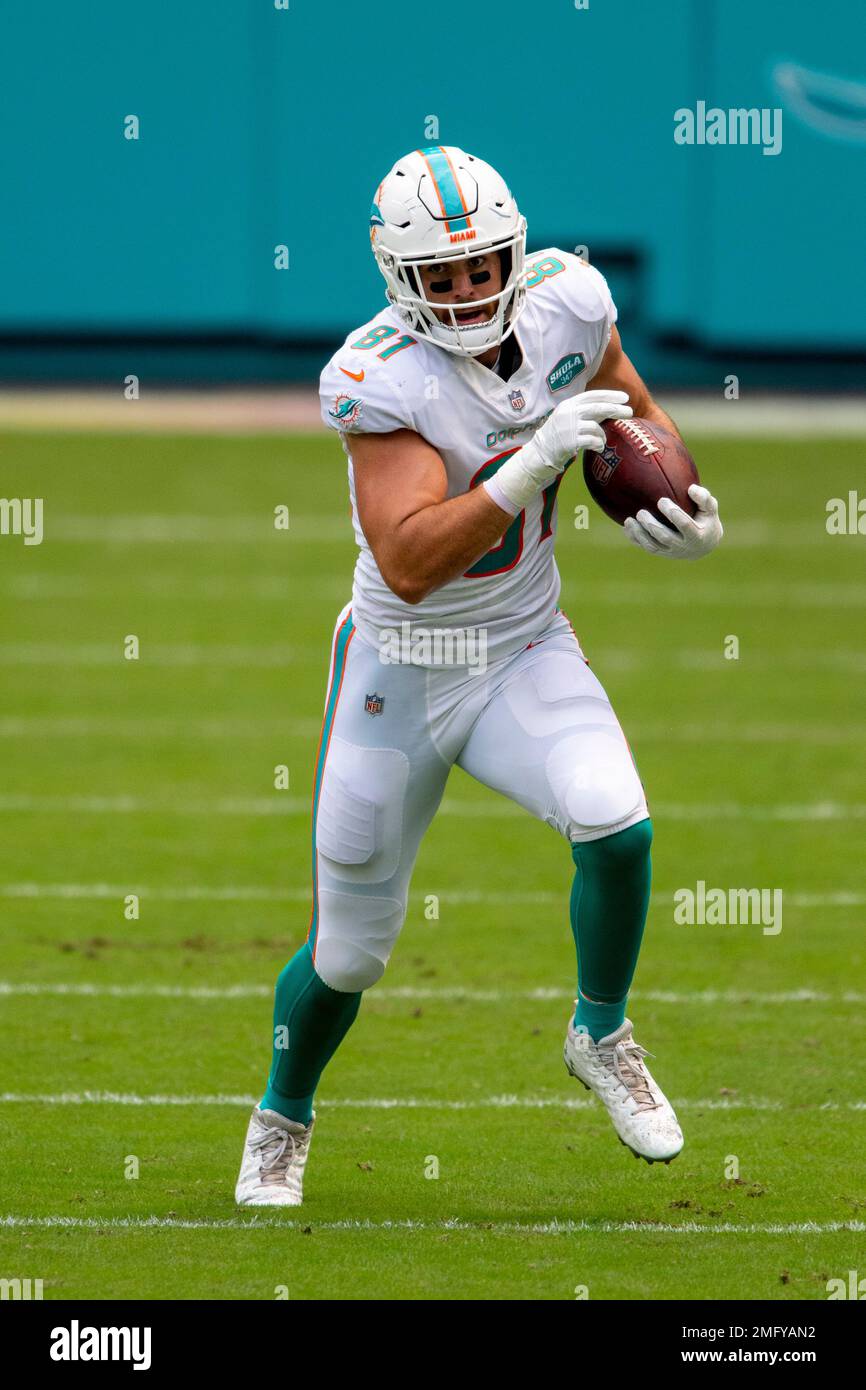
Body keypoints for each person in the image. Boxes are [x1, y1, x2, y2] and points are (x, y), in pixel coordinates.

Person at [235, 145, 723, 1205]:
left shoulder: (569, 304)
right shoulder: (377, 377)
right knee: (350, 953)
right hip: (400, 669)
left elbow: (629, 405)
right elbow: (408, 562)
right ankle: (282, 1112)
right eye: (440, 276)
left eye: (480, 265)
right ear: (397, 280)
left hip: (521, 648)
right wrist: (528, 462)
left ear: (510, 251)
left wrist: (670, 495)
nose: (465, 290)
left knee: (614, 817)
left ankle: (600, 1032)